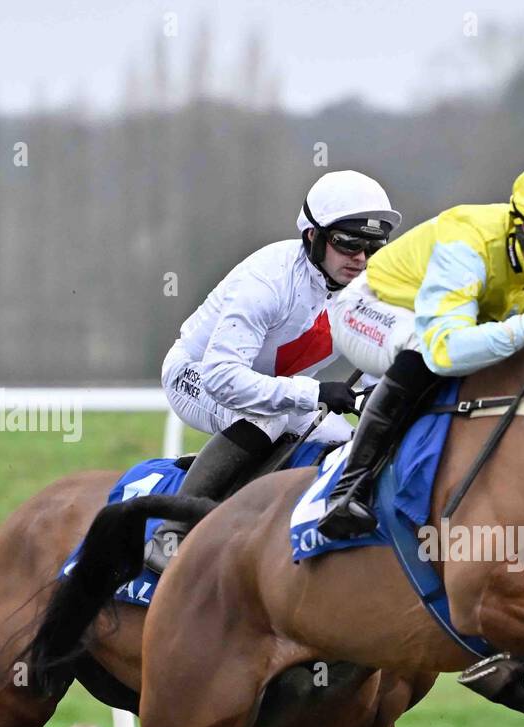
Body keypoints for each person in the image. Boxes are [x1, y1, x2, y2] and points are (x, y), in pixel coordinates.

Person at [317, 153, 524, 541]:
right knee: (424, 348)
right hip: (372, 307)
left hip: (455, 320)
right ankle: (350, 488)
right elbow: (445, 351)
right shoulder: (468, 243)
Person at [144, 170, 402, 572]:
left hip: (267, 387)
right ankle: (171, 530)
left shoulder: (364, 290)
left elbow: (374, 365)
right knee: (270, 416)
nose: (360, 259)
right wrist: (315, 394)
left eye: (373, 247)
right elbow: (223, 377)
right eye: (348, 243)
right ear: (312, 238)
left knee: (347, 440)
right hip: (196, 375)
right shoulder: (267, 281)